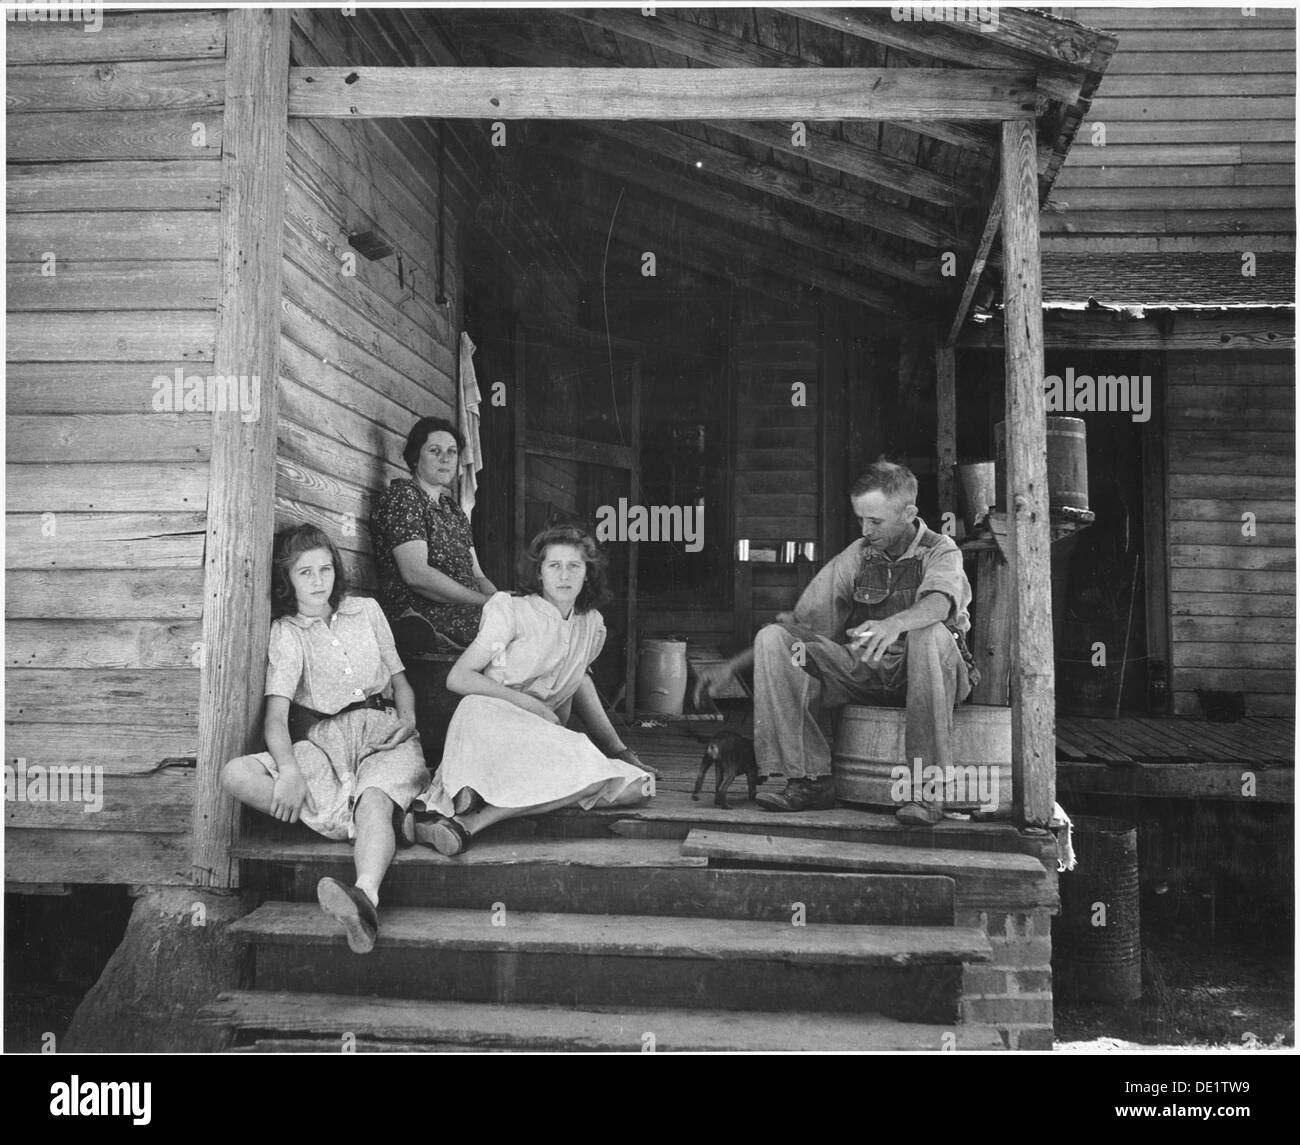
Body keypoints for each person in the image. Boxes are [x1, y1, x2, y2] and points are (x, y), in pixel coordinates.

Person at [694, 461, 976, 826]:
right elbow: (802, 625)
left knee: (928, 634)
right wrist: (730, 668)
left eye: (875, 521)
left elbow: (939, 602)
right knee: (776, 638)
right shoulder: (858, 555)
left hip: (937, 674)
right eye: (861, 519)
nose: (865, 529)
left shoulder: (942, 550)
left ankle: (926, 792)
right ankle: (810, 780)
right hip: (872, 673)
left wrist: (894, 624)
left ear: (908, 513)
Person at [220, 524, 430, 954]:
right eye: (305, 573)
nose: (319, 582)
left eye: (325, 569)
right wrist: (291, 771)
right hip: (326, 743)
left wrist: (407, 720)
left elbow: (401, 683)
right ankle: (366, 825)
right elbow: (276, 719)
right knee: (234, 774)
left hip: (381, 732)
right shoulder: (288, 633)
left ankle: (363, 898)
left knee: (373, 797)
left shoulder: (366, 611)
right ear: (287, 579)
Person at [410, 524, 656, 855]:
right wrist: (528, 704)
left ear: (588, 573)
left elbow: (578, 679)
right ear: (539, 573)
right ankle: (471, 801)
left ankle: (471, 815)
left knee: (641, 787)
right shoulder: (511, 610)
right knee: (587, 773)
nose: (564, 575)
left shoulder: (592, 625)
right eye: (554, 566)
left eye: (574, 566)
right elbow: (459, 677)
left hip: (537, 737)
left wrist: (619, 750)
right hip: (487, 720)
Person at [370, 417, 498, 657]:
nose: (445, 458)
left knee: (523, 620)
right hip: (421, 616)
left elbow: (478, 575)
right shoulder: (404, 498)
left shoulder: (453, 510)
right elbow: (416, 575)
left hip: (466, 609)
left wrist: (499, 601)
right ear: (415, 458)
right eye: (434, 450)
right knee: (508, 633)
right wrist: (483, 602)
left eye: (451, 452)